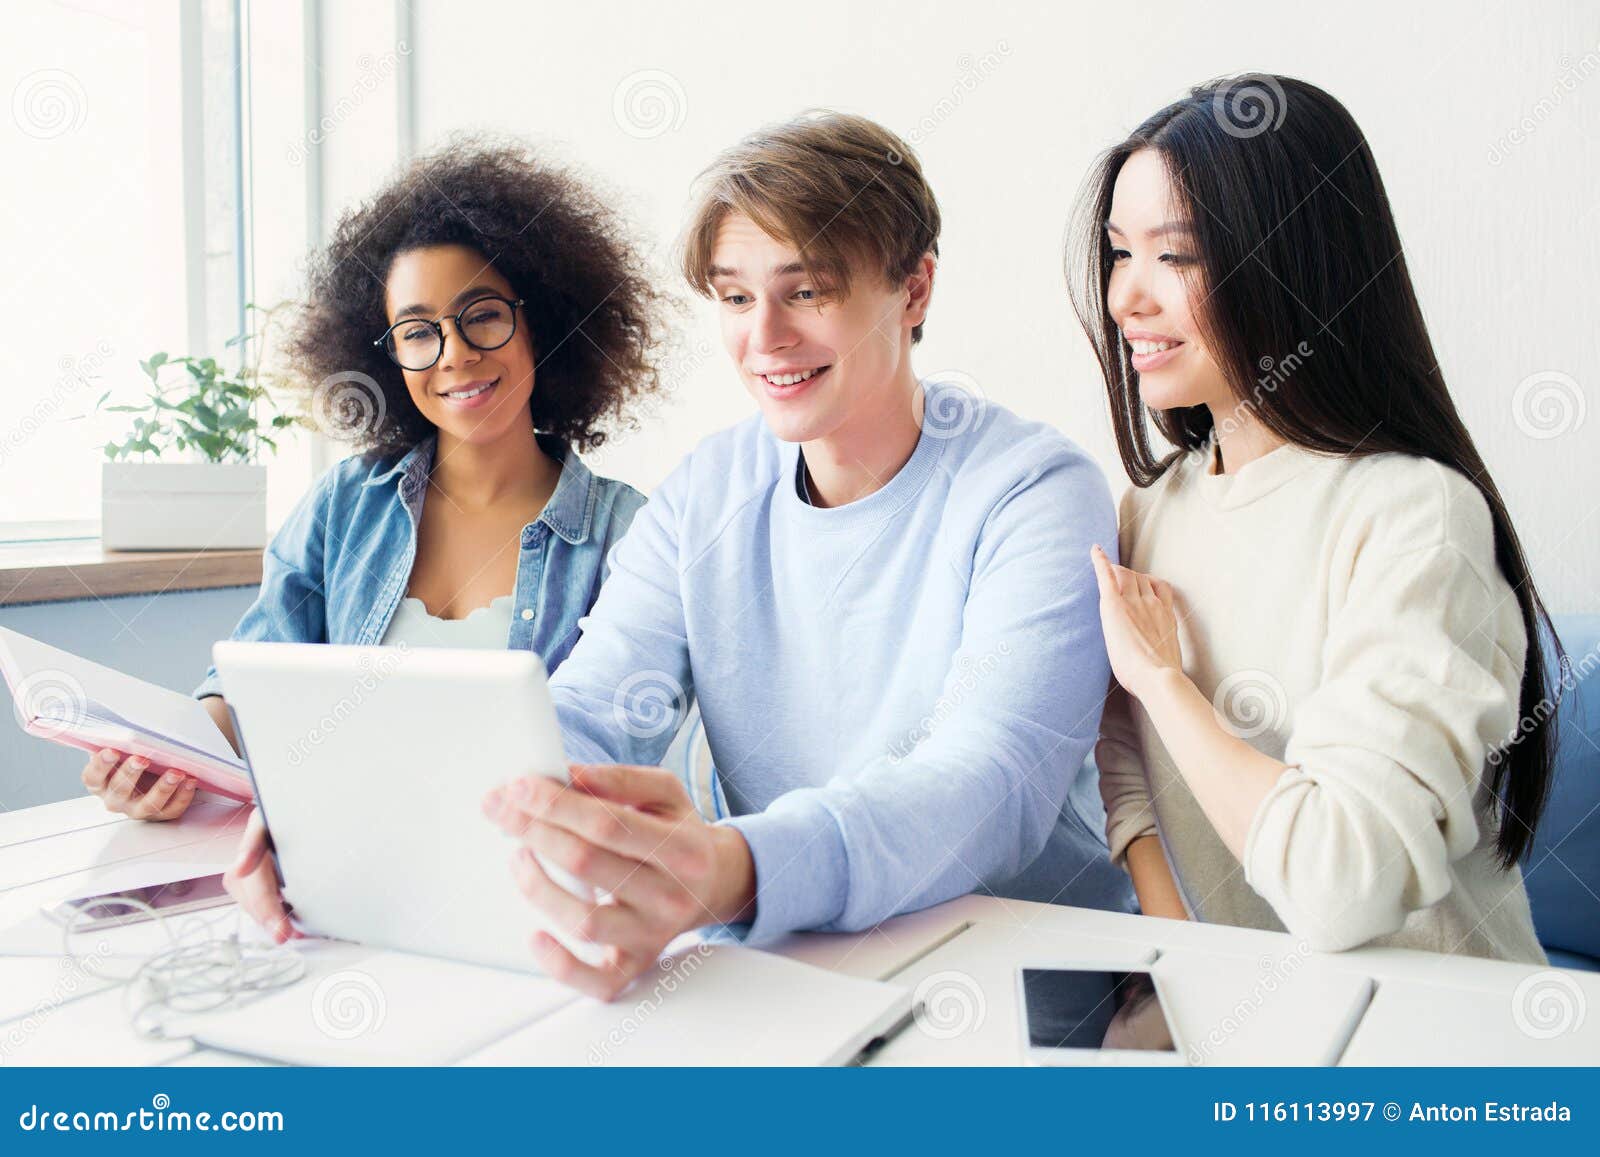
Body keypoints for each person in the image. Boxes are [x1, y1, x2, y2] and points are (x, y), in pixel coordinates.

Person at [478, 111, 1135, 1000]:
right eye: (736, 297)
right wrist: (416, 818)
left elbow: (989, 779)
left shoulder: (1034, 488)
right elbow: (588, 710)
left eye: (808, 291)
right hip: (796, 969)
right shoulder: (704, 494)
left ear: (914, 291)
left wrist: (739, 864)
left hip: (1022, 986)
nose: (765, 338)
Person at [1068, 75, 1561, 962]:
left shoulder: (1415, 514)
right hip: (1256, 1039)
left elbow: (1343, 888)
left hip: (1434, 1058)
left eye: (1175, 256)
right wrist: (1188, 982)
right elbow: (1129, 773)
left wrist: (1165, 682)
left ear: (1288, 263)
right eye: (1119, 252)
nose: (1126, 298)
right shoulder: (1148, 507)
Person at [82, 138, 666, 854]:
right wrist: (163, 758)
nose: (453, 354)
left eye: (482, 314)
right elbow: (249, 676)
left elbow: (622, 749)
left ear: (538, 319)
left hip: (520, 883)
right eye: (418, 332)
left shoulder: (626, 532)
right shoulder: (345, 503)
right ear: (385, 353)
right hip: (344, 862)